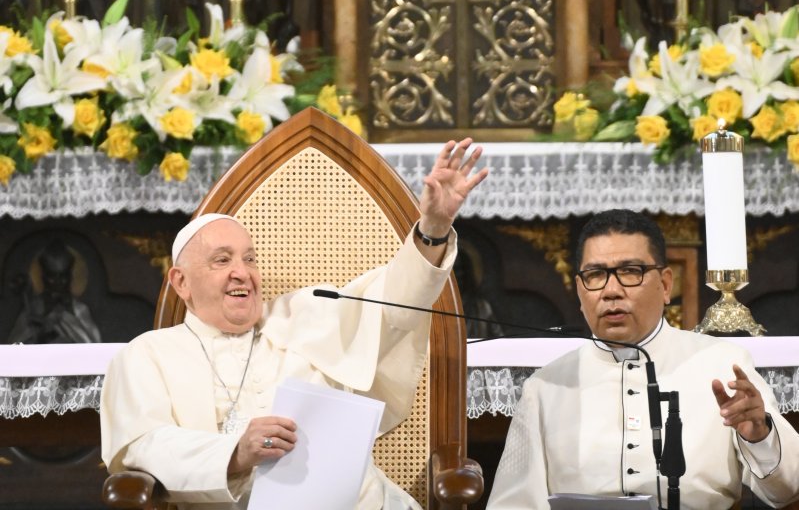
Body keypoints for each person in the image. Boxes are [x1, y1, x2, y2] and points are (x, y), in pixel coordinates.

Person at [101, 138, 488, 510]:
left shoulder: (309, 314)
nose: (242, 273)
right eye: (222, 260)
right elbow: (142, 446)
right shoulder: (147, 354)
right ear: (180, 282)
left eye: (249, 259)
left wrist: (432, 229)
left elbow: (396, 306)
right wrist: (236, 453)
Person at [487, 208, 799, 509]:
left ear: (665, 285)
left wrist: (759, 436)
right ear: (580, 289)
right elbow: (512, 503)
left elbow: (787, 491)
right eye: (595, 275)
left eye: (630, 272)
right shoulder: (545, 387)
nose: (611, 291)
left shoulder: (723, 364)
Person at [8, 237, 102, 345]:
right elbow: (14, 347)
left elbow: (93, 346)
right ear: (43, 277)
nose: (58, 282)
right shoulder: (32, 308)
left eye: (63, 276)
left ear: (70, 277)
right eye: (52, 277)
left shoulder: (80, 310)